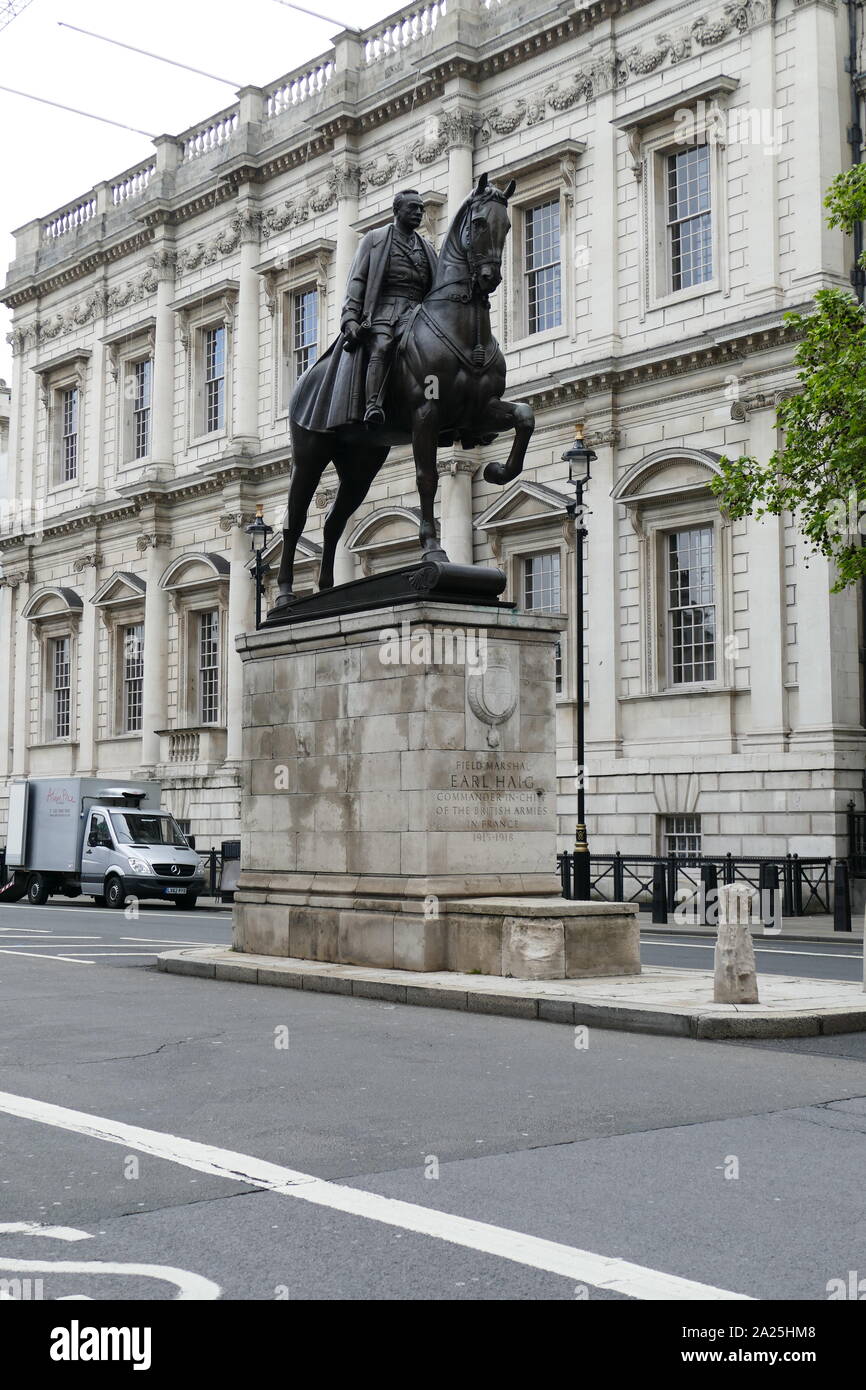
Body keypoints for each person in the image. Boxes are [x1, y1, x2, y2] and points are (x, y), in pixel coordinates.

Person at [290, 189, 437, 434]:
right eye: (413, 208)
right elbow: (357, 280)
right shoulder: (375, 239)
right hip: (385, 311)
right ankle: (373, 405)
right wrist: (350, 318)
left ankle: (439, 398)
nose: (419, 212)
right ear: (397, 211)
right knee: (382, 345)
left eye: (421, 208)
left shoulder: (426, 247)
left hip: (419, 312)